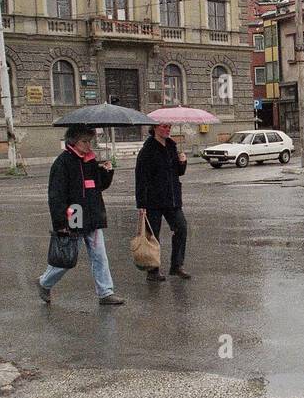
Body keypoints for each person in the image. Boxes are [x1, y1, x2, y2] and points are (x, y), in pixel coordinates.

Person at [37, 125, 125, 306]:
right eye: (85, 142)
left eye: (90, 141)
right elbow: (56, 196)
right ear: (74, 142)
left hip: (93, 213)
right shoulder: (62, 163)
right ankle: (44, 282)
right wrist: (61, 223)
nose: (88, 145)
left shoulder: (90, 161)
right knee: (67, 257)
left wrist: (106, 173)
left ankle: (105, 292)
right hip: (74, 213)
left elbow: (98, 186)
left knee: (99, 256)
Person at [134, 122, 191, 282]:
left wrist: (182, 162)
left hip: (172, 198)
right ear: (155, 129)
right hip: (153, 200)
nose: (167, 130)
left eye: (169, 127)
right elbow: (140, 178)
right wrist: (141, 204)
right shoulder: (147, 150)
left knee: (181, 227)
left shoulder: (171, 146)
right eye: (164, 127)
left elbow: (178, 172)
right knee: (153, 235)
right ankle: (153, 271)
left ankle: (177, 265)